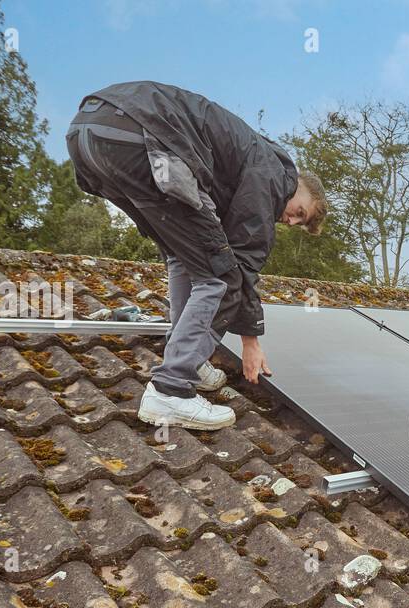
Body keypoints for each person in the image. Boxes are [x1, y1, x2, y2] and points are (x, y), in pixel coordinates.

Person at [66, 81, 326, 430]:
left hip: (91, 133)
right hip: (142, 137)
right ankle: (171, 388)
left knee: (183, 254)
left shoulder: (244, 163)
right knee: (220, 274)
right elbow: (242, 261)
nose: (290, 220)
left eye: (298, 223)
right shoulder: (275, 175)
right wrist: (251, 342)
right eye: (300, 212)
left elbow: (204, 245)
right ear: (300, 187)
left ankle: (189, 355)